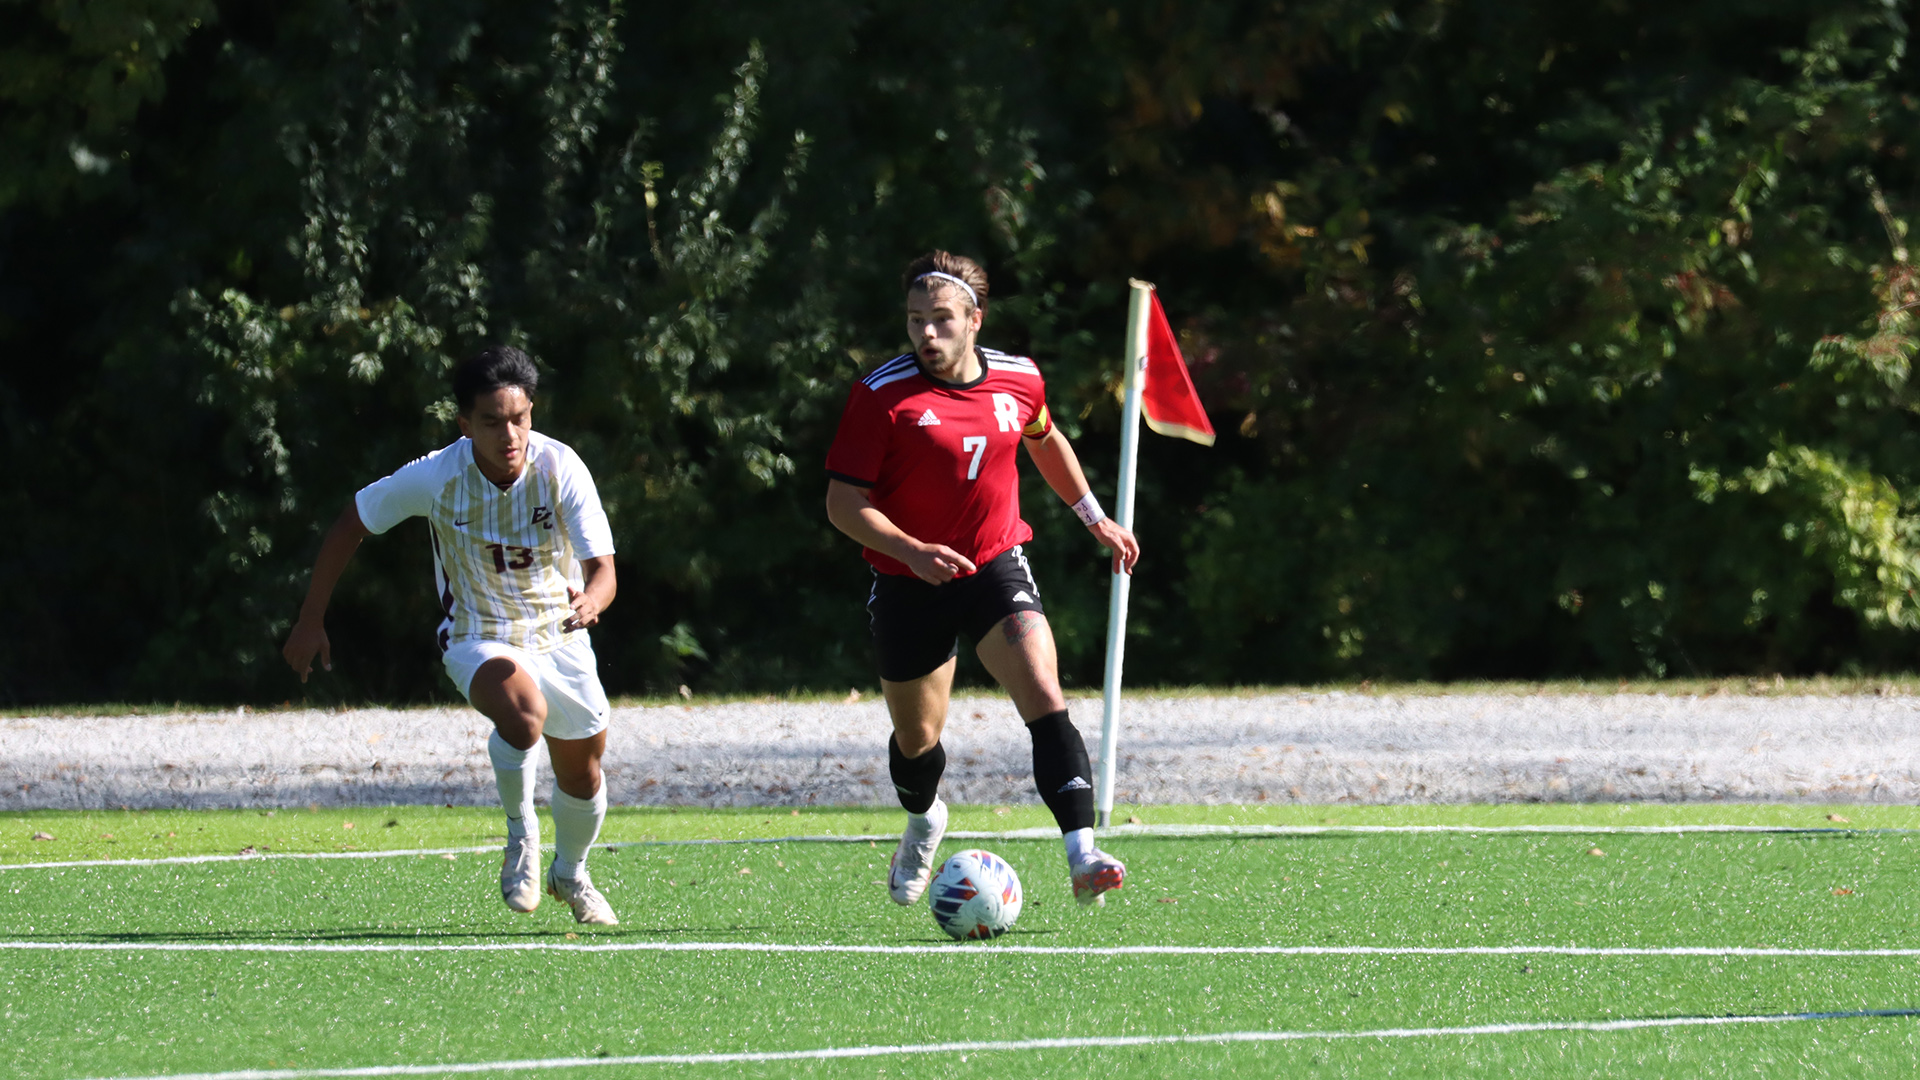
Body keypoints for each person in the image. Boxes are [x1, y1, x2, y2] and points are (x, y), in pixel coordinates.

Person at [824, 251, 1142, 908]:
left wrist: (1094, 518)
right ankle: (923, 819)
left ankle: (1083, 854)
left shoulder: (1020, 379)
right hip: (909, 581)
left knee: (1045, 693)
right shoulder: (882, 395)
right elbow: (842, 503)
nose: (926, 336)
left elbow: (1044, 438)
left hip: (996, 565)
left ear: (976, 319)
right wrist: (911, 550)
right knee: (918, 742)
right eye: (915, 321)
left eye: (941, 320)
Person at [282, 345, 621, 925]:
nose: (508, 433)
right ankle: (521, 836)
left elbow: (604, 568)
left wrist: (592, 599)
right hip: (478, 634)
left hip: (560, 635)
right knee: (522, 715)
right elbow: (353, 520)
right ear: (466, 425)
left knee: (585, 774)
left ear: (531, 414)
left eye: (518, 418)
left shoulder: (561, 468)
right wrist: (311, 617)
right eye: (491, 421)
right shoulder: (439, 475)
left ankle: (571, 873)